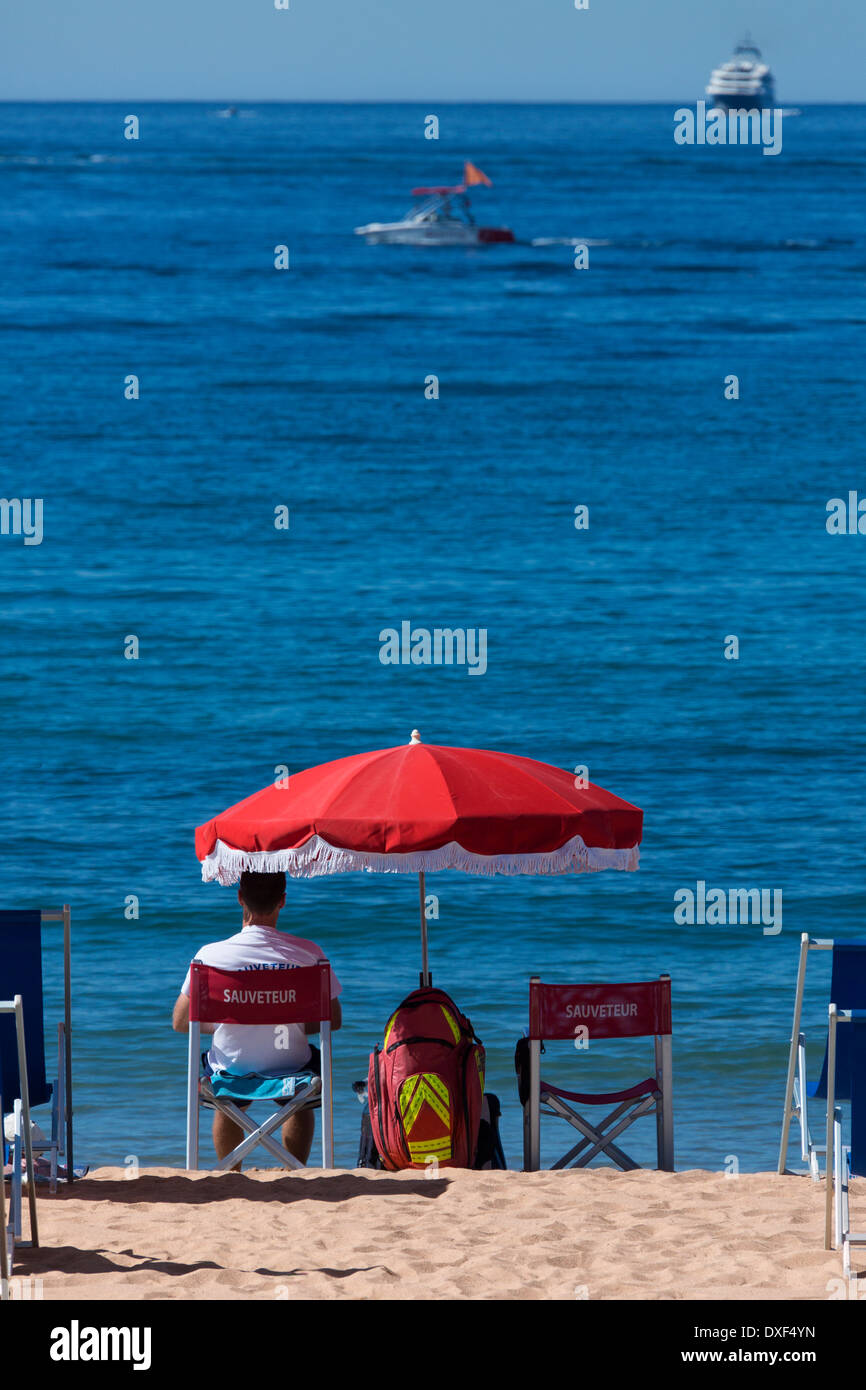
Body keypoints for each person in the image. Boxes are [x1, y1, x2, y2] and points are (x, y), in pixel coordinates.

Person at [172, 869, 342, 1167]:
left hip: (230, 1071)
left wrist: (232, 1016)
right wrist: (286, 1015)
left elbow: (181, 1021)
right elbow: (333, 1019)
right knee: (301, 1088)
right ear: (283, 901)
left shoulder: (210, 957)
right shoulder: (309, 954)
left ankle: (231, 1171)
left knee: (226, 1093)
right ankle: (295, 1168)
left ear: (240, 898)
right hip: (292, 1069)